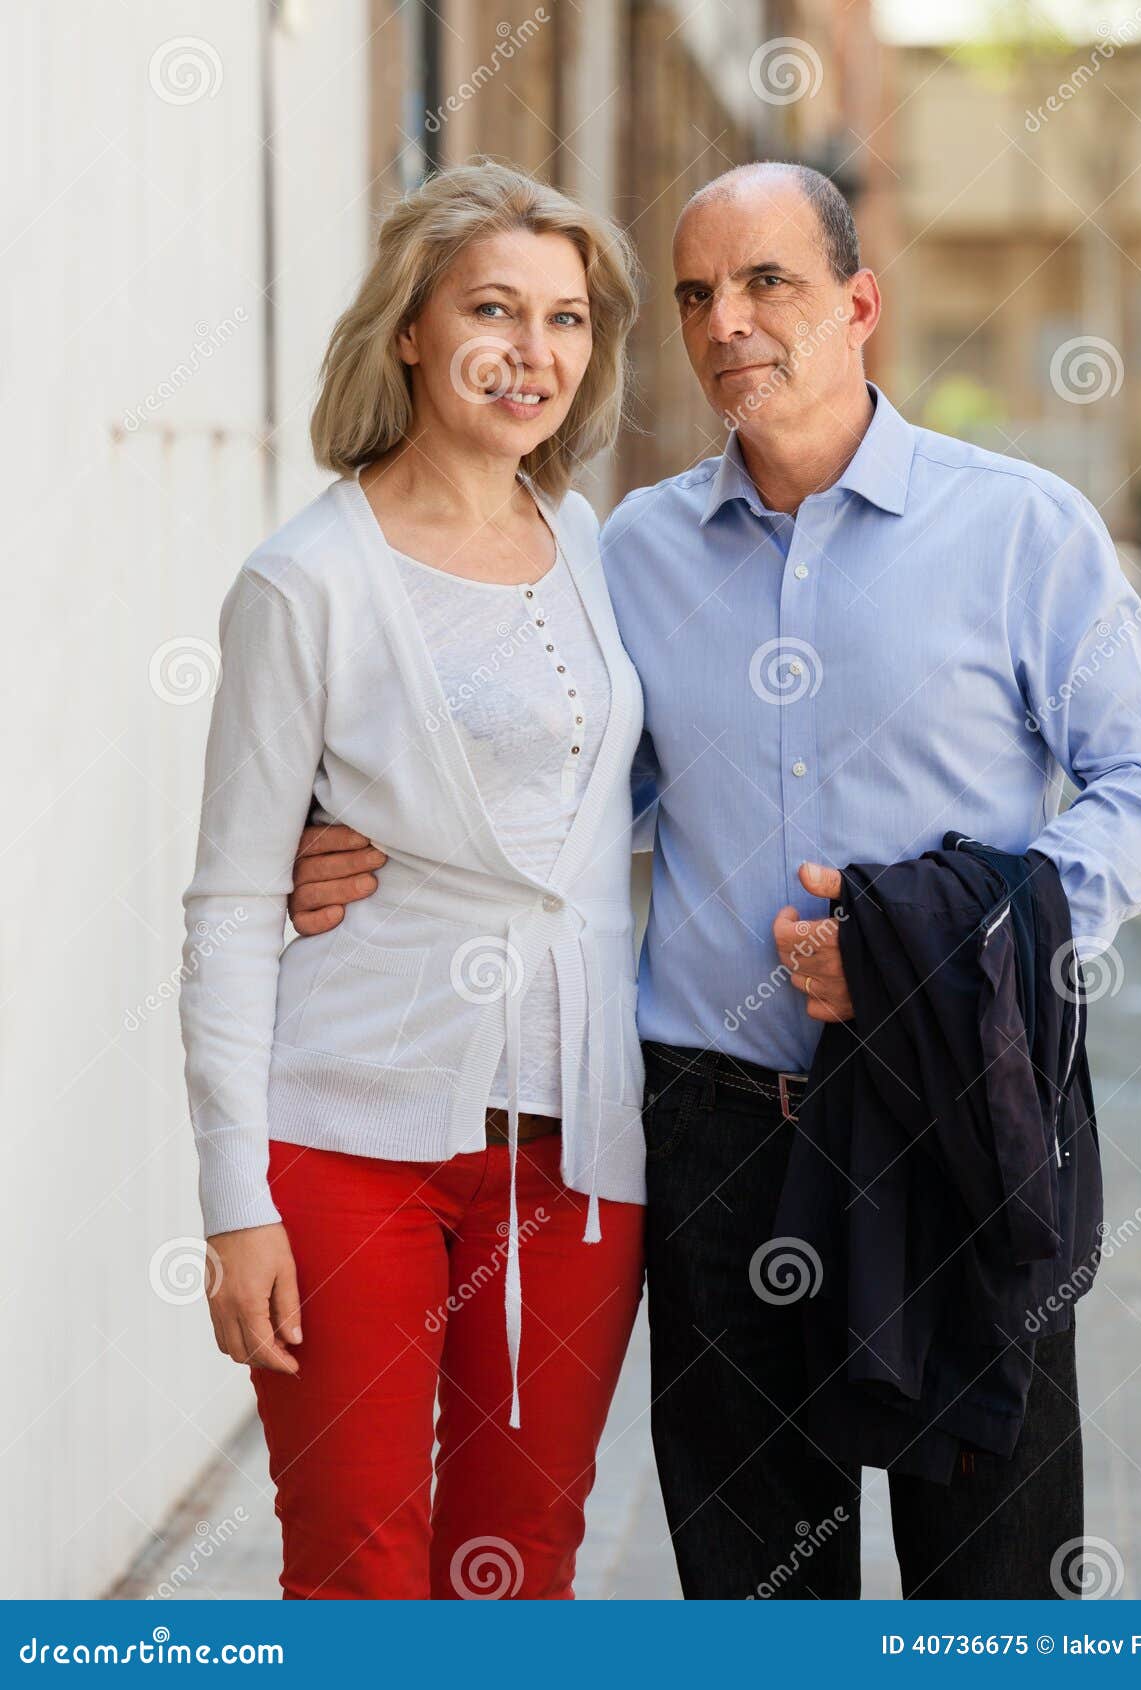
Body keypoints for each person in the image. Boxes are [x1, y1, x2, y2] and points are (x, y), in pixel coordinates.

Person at [289, 162, 1141, 1598]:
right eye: (697, 294)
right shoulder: (630, 550)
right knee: (753, 1590)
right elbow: (569, 794)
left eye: (767, 282)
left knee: (996, 1582)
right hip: (717, 1141)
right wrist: (351, 830)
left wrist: (939, 949)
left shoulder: (1018, 531)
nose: (727, 320)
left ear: (858, 304)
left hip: (955, 1115)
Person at [178, 161, 647, 1601]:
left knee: (521, 1560)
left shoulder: (587, 543)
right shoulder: (303, 580)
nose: (534, 351)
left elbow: (577, 824)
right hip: (348, 1145)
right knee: (358, 1560)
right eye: (492, 309)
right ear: (409, 329)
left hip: (573, 1159)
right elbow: (230, 902)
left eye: (565, 319)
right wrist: (230, 1199)